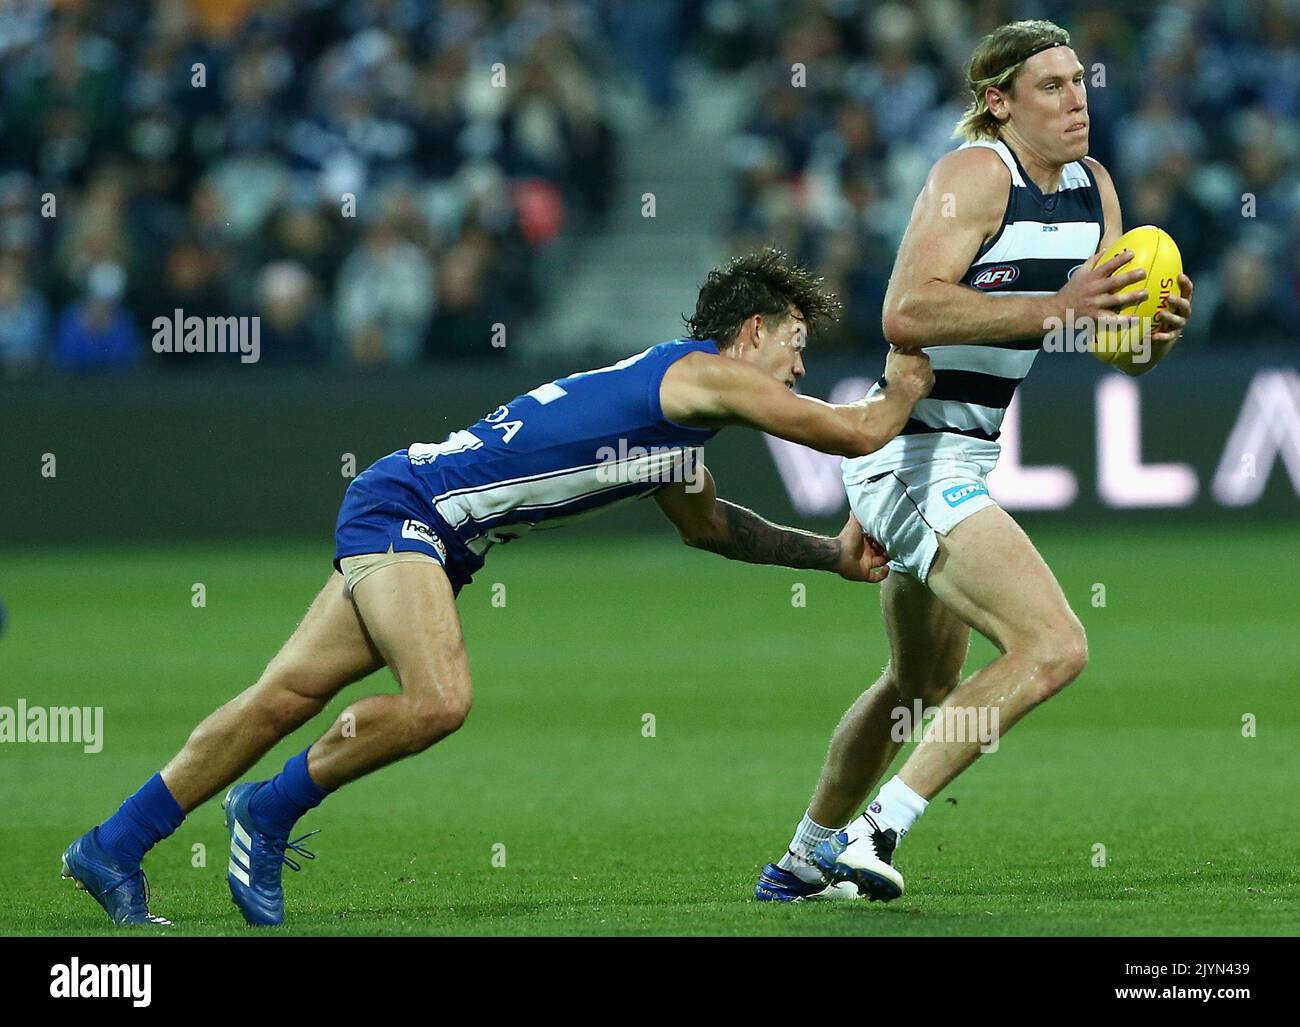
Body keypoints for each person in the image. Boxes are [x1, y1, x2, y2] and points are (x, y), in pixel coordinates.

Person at [61, 249, 934, 925]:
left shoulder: (679, 421)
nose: (799, 367)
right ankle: (268, 807)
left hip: (432, 527)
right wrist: (908, 379)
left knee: (283, 695)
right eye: (795, 345)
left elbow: (711, 528)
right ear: (751, 329)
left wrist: (830, 555)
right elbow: (850, 434)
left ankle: (112, 846)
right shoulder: (700, 373)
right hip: (413, 509)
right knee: (439, 700)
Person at [757, 20, 1195, 903]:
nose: (1077, 100)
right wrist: (1053, 305)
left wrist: (1147, 340)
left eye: (1079, 81)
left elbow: (1093, 331)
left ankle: (803, 859)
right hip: (912, 455)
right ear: (998, 101)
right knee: (1053, 643)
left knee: (916, 682)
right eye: (1051, 86)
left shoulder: (1094, 189)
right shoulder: (972, 174)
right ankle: (879, 827)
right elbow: (906, 310)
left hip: (956, 454)